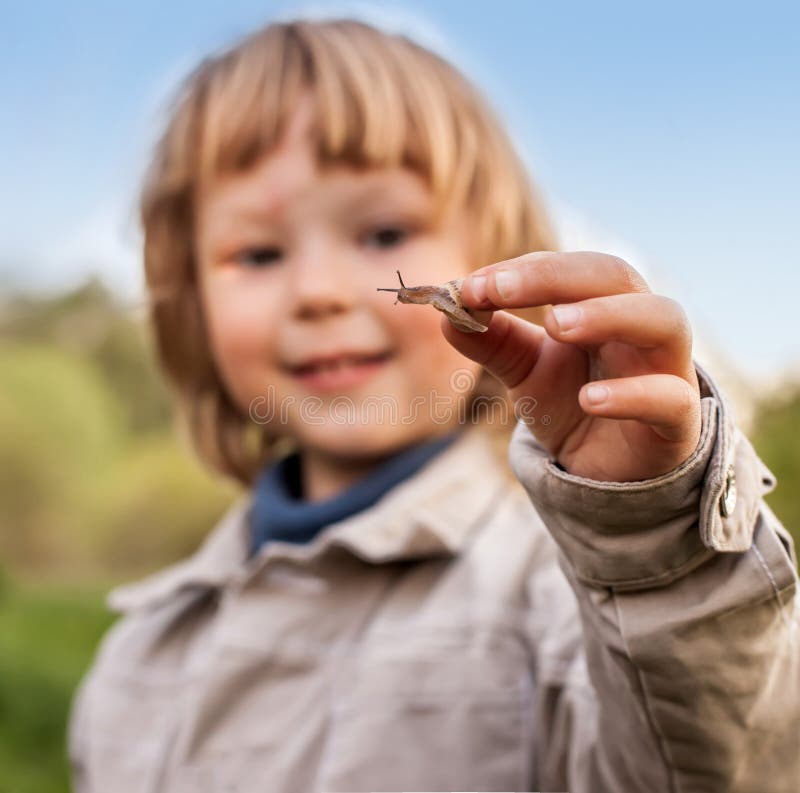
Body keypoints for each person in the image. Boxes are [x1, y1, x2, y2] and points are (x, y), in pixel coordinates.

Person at [68, 17, 799, 793]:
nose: (320, 292)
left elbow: (721, 765)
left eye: (384, 232)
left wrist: (649, 541)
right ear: (192, 304)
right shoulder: (137, 655)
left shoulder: (564, 597)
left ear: (496, 262)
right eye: (259, 253)